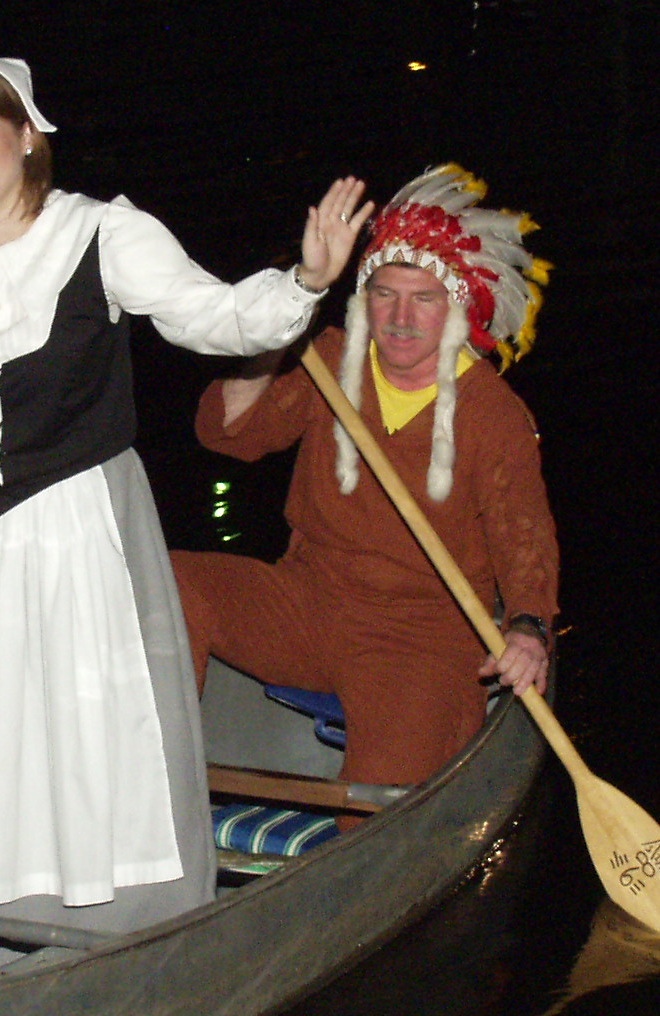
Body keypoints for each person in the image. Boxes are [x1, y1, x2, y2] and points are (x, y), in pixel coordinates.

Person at [0, 58, 372, 980]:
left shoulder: (101, 233)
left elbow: (217, 318)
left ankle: (106, 946)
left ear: (26, 135)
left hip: (76, 526)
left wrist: (304, 281)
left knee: (84, 723)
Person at [171, 165, 556, 792]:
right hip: (307, 600)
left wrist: (528, 628)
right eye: (384, 294)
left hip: (421, 637)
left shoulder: (492, 411)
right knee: (173, 584)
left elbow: (524, 531)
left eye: (423, 298)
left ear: (457, 306)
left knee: (375, 794)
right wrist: (276, 334)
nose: (399, 317)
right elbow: (227, 435)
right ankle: (151, 785)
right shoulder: (327, 357)